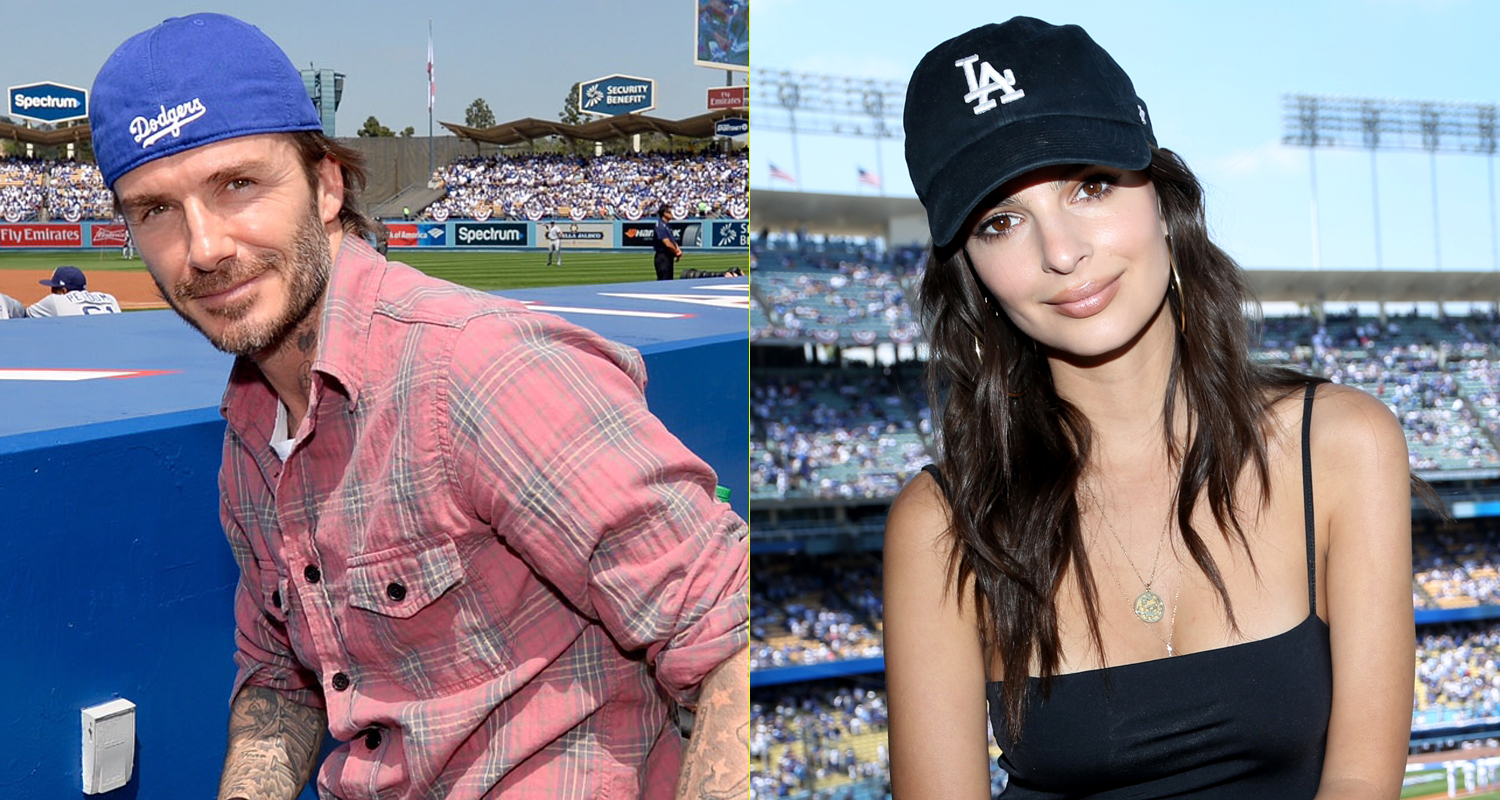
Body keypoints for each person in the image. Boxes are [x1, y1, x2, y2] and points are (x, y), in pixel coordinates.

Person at [89, 14, 748, 800]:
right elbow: (281, 679)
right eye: (156, 210)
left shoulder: (479, 370)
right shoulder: (253, 430)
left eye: (238, 185)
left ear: (326, 185)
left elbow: (735, 632)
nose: (204, 248)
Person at [883, 17, 1413, 799]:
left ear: (1163, 199)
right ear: (972, 275)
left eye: (1090, 186)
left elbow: (1363, 778)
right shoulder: (941, 524)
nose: (1062, 252)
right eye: (1001, 222)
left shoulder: (1342, 445)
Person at [27, 266, 121, 317]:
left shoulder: (56, 301)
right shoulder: (109, 298)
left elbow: (26, 315)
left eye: (54, 289)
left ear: (63, 291)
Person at [654, 204, 684, 281]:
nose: (672, 214)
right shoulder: (660, 225)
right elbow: (667, 243)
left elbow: (672, 240)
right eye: (670, 212)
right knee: (664, 280)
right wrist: (676, 252)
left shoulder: (667, 226)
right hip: (663, 257)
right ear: (665, 213)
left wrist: (677, 250)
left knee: (669, 279)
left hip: (669, 256)